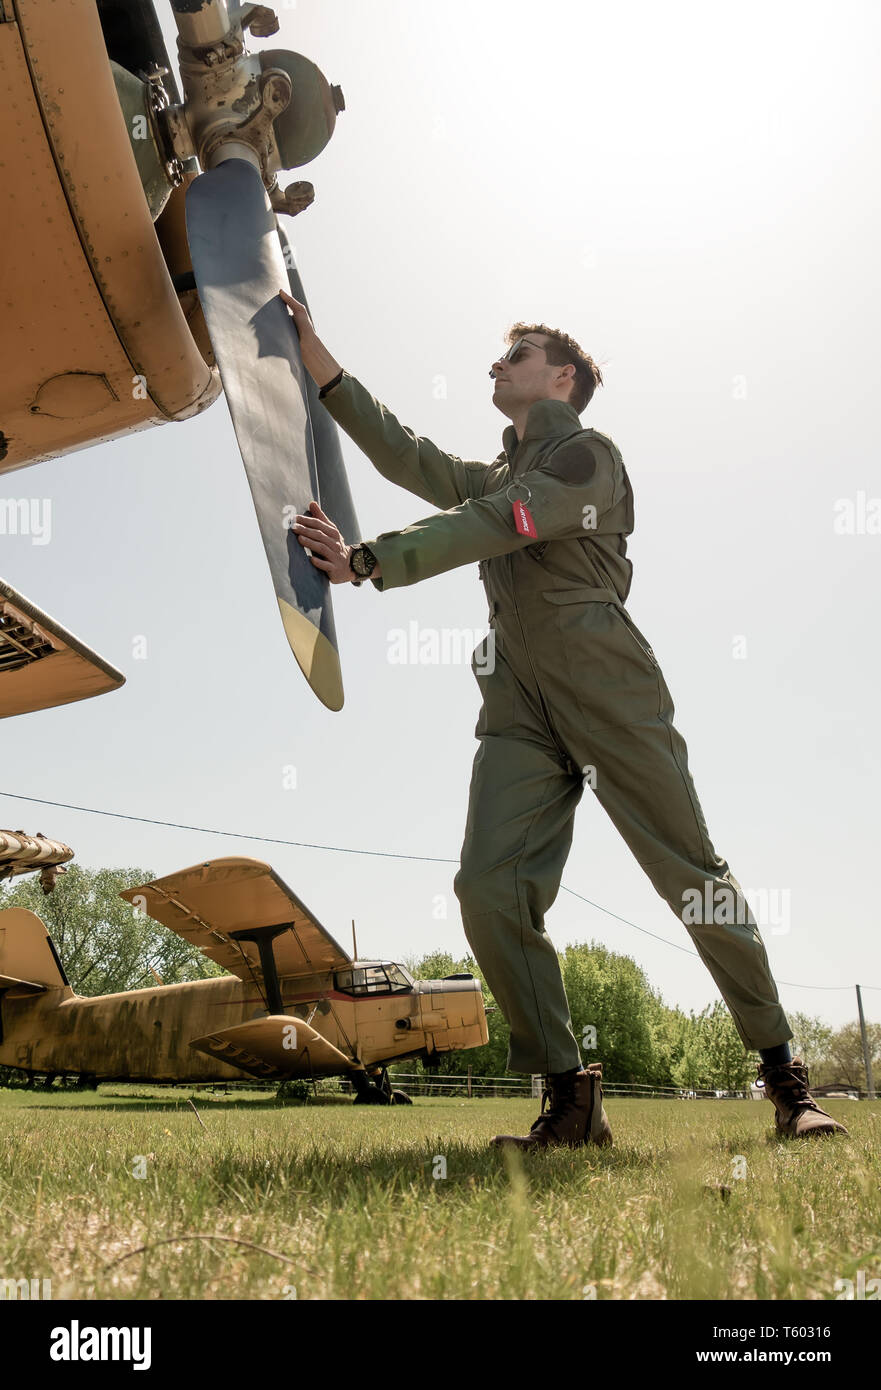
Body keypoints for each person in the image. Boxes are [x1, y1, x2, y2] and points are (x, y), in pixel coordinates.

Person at [278, 288, 848, 1149]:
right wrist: (320, 363)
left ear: (563, 376)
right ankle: (569, 1099)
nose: (497, 365)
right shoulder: (498, 471)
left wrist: (369, 560)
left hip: (603, 676)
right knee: (488, 886)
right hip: (515, 699)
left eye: (516, 353)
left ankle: (784, 1081)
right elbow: (408, 455)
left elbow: (499, 521)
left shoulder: (586, 458)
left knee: (689, 874)